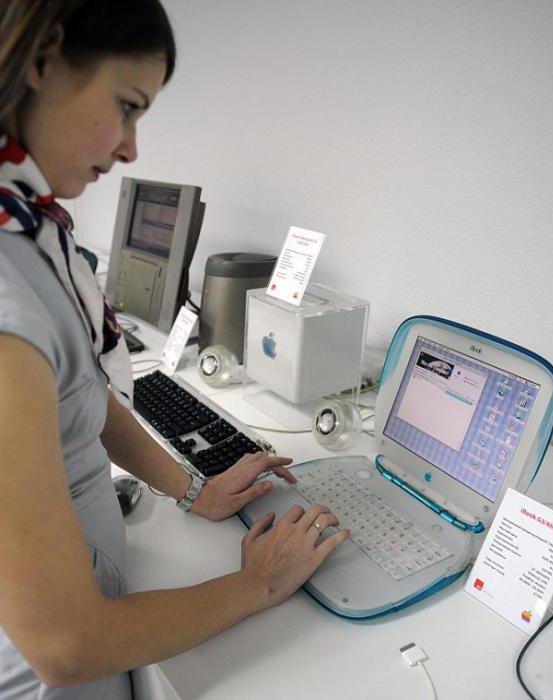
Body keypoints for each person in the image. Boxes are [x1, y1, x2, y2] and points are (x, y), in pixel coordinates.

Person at [0, 2, 349, 697]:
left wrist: (193, 487)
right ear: (41, 61)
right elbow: (67, 648)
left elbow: (83, 395)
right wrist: (257, 583)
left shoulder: (28, 227)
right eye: (127, 106)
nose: (131, 148)